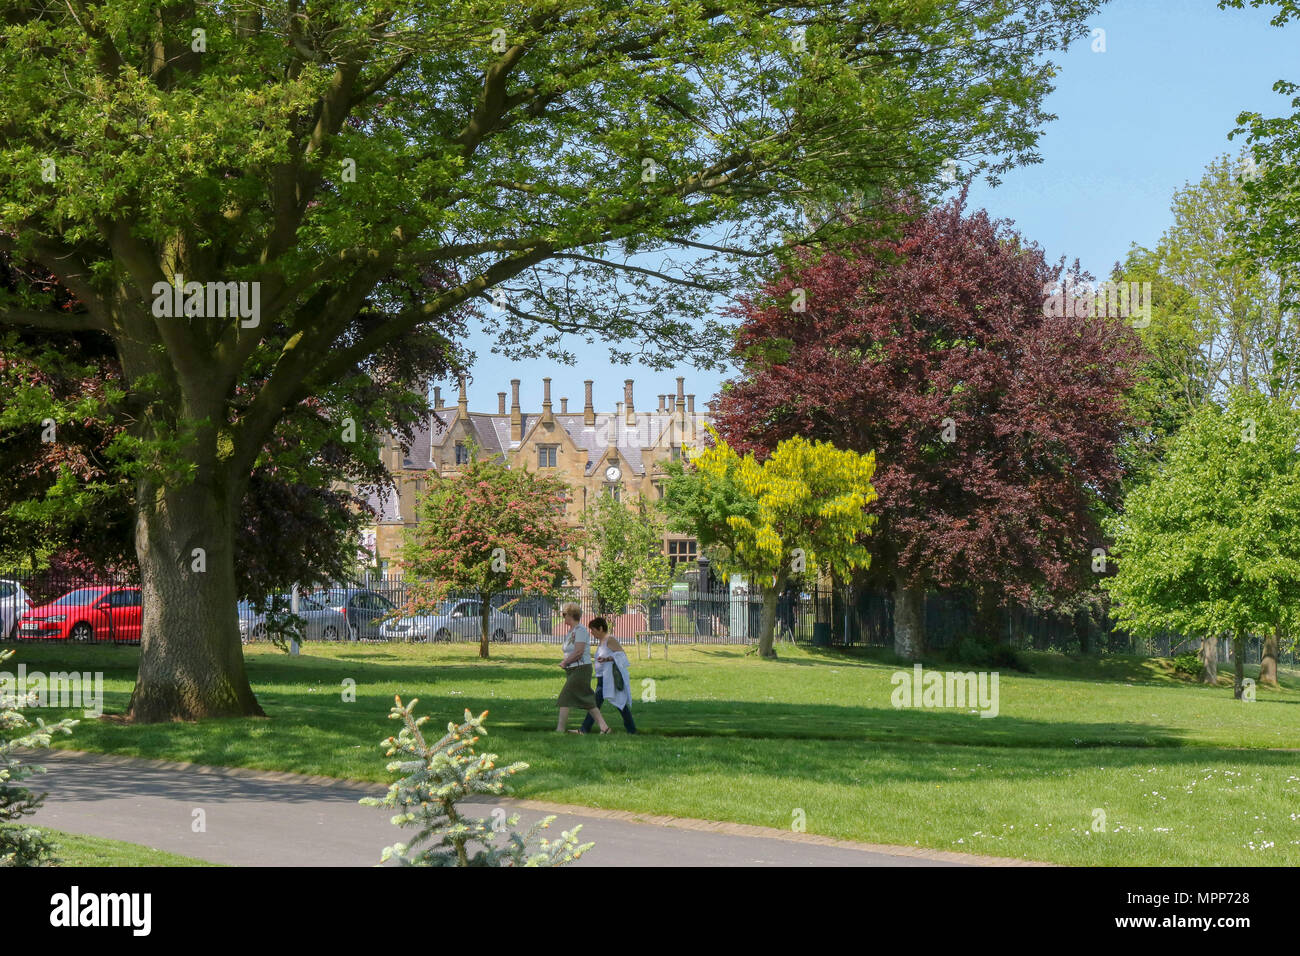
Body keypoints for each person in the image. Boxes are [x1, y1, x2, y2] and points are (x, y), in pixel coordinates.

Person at [556, 604, 611, 734]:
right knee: (587, 700)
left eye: (564, 614)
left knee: (564, 697)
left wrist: (565, 662)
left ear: (570, 615)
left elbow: (579, 651)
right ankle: (605, 728)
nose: (563, 617)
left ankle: (560, 729)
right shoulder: (572, 631)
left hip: (581, 669)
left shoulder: (580, 630)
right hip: (573, 669)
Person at [580, 617, 637, 734]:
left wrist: (607, 659)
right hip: (602, 678)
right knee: (597, 704)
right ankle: (585, 729)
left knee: (619, 704)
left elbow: (622, 656)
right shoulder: (602, 642)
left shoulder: (610, 640)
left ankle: (585, 729)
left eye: (593, 630)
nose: (592, 633)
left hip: (610, 679)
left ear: (601, 628)